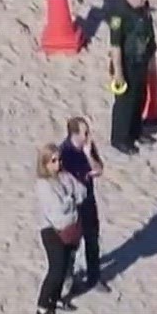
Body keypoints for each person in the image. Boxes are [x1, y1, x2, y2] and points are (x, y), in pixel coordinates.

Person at [34, 143, 86, 314]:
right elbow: (58, 209)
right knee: (55, 270)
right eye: (53, 160)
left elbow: (82, 192)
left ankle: (55, 299)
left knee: (64, 268)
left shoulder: (65, 176)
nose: (58, 164)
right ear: (45, 163)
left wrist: (70, 198)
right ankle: (42, 305)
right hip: (52, 231)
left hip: (70, 228)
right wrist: (71, 199)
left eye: (59, 159)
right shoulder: (43, 184)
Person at [106, 0, 157, 153]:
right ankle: (120, 138)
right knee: (125, 103)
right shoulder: (119, 15)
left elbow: (149, 35)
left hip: (141, 60)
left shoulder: (144, 10)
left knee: (140, 97)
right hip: (126, 63)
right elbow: (115, 46)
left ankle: (135, 131)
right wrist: (118, 72)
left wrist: (151, 60)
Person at [58, 117, 107, 293]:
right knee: (71, 244)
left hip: (88, 200)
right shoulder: (64, 153)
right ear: (74, 134)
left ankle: (94, 277)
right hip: (73, 204)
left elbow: (99, 169)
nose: (88, 135)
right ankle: (67, 280)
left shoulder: (88, 147)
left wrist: (88, 154)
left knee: (92, 239)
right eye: (84, 132)